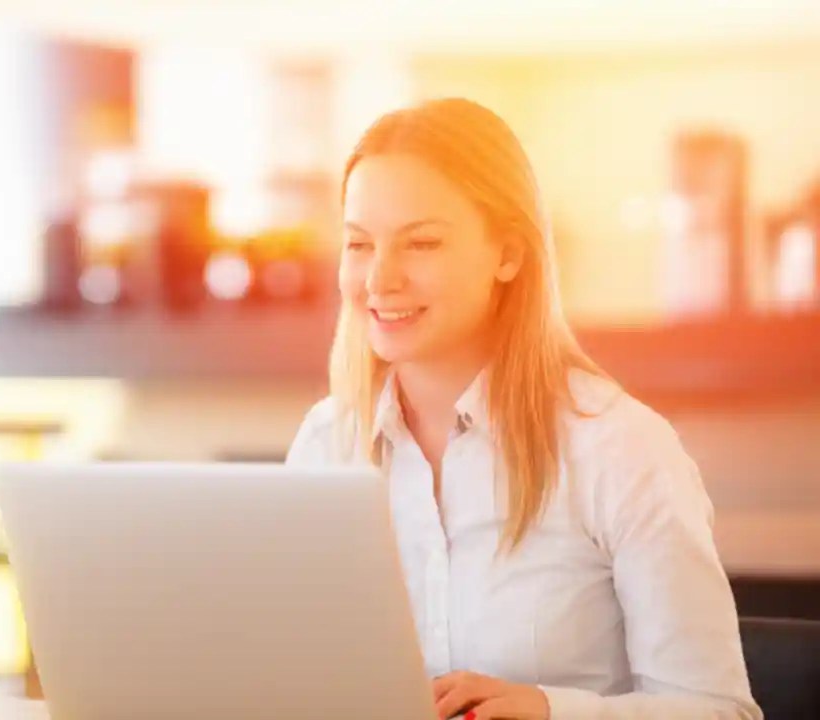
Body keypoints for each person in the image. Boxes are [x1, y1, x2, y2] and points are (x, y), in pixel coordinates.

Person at [287, 98, 760, 720]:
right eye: (358, 244)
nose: (379, 278)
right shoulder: (327, 444)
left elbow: (720, 710)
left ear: (508, 253)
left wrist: (547, 710)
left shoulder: (619, 449)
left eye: (421, 243)